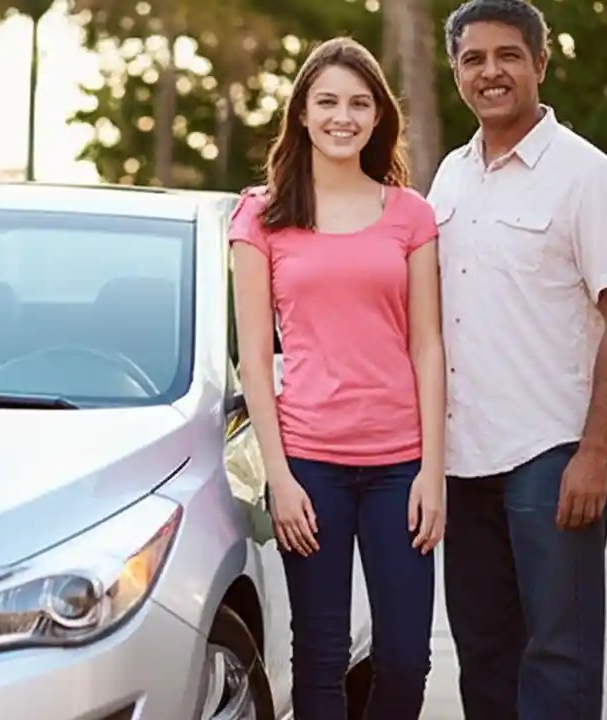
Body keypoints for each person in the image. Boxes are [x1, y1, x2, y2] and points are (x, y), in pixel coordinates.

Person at [428, 1, 607, 719]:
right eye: (473, 59)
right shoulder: (449, 179)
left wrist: (594, 453)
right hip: (464, 462)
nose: (490, 71)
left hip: (550, 456)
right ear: (456, 71)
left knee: (559, 656)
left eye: (507, 55)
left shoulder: (587, 176)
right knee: (484, 655)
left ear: (540, 64)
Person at [229, 36, 446, 720]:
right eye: (327, 101)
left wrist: (433, 474)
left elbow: (429, 346)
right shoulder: (260, 217)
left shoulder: (412, 214)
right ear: (301, 113)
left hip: (399, 467)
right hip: (310, 467)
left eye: (359, 103)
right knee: (318, 656)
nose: (342, 116)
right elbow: (255, 359)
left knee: (407, 656)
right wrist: (280, 477)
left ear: (379, 116)